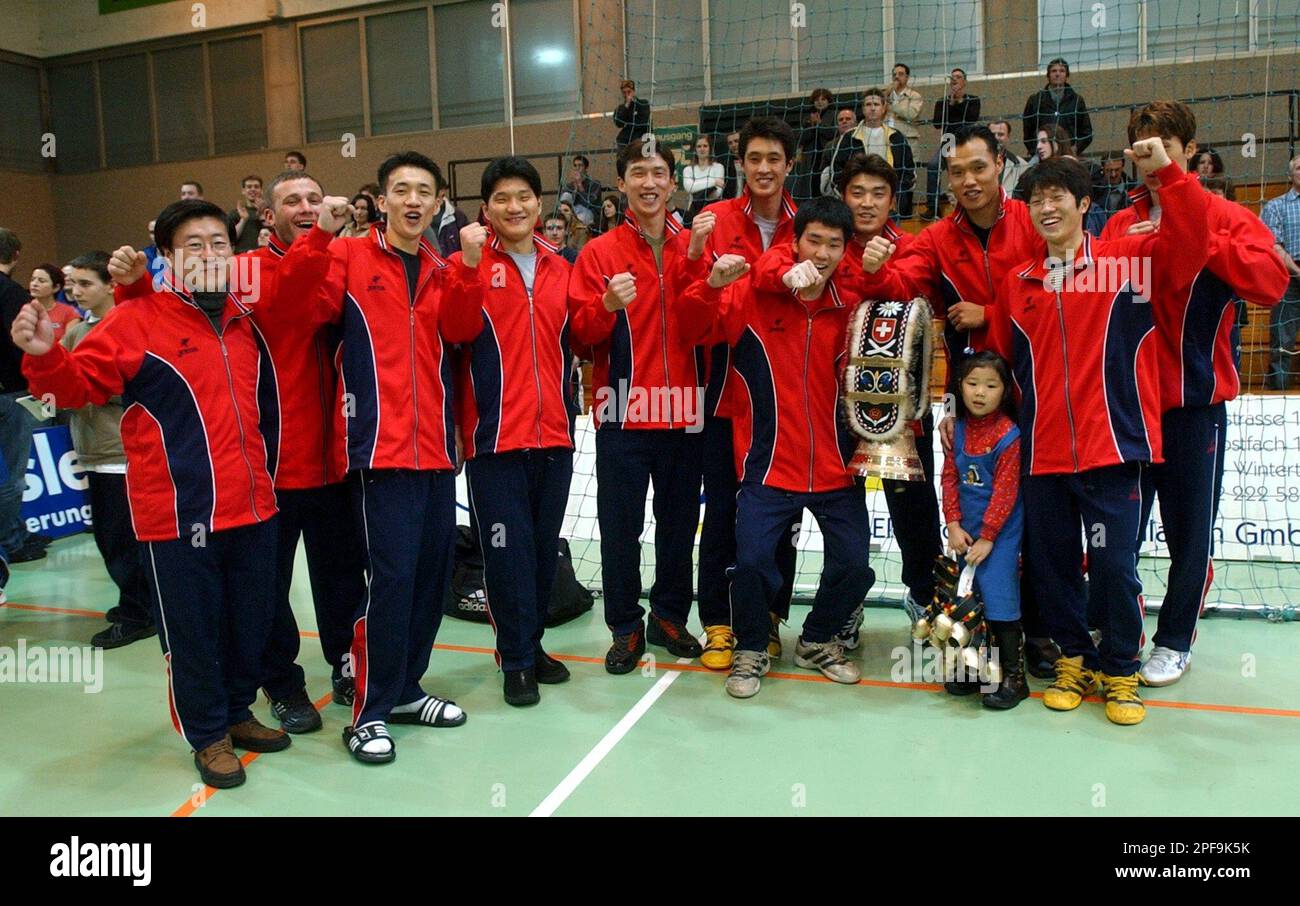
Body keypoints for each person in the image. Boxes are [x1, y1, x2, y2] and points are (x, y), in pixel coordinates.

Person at [17, 199, 287, 788]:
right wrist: (43, 358)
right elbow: (80, 384)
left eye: (219, 242)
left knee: (250, 623)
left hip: (253, 505)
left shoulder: (245, 320)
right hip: (177, 513)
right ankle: (208, 733)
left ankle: (238, 712)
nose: (210, 254)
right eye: (193, 245)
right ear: (166, 257)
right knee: (192, 632)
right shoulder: (137, 322)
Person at [984, 143, 1209, 726]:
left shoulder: (1126, 265)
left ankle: (1120, 671)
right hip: (1045, 455)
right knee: (1054, 566)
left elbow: (1190, 246)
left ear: (1085, 203)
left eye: (1057, 196)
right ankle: (1073, 661)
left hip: (1114, 449)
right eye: (1035, 199)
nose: (1045, 207)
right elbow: (1011, 366)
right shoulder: (1017, 283)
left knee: (1114, 568)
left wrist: (1166, 171)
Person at [292, 152, 488, 764]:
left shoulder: (439, 262)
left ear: (437, 205)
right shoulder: (348, 257)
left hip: (435, 450)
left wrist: (472, 268)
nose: (411, 200)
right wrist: (322, 232)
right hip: (377, 451)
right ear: (381, 200)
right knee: (392, 580)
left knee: (430, 578)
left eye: (423, 192)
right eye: (400, 189)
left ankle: (406, 690)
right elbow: (304, 304)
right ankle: (368, 710)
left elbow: (460, 332)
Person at [856, 127, 1059, 674]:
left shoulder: (1032, 221)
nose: (968, 181)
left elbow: (1060, 280)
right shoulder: (939, 237)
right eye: (957, 172)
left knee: (1037, 517)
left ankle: (1040, 631)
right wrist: (874, 269)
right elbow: (902, 282)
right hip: (972, 406)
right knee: (976, 515)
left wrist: (992, 312)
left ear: (1000, 166)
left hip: (1040, 394)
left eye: (978, 168)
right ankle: (981, 629)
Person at [1103, 102, 1288, 686]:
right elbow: (1094, 294)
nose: (1151, 154)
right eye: (1141, 144)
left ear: (1187, 150)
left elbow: (1271, 285)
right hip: (1130, 410)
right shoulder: (1116, 222)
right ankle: (1113, 630)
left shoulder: (1228, 216)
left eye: (1163, 144)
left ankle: (1176, 638)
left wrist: (1196, 227)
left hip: (1194, 410)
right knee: (1117, 533)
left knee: (1189, 533)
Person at [685, 197, 874, 698]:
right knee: (749, 564)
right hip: (767, 466)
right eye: (814, 240)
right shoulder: (751, 297)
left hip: (837, 469)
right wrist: (711, 282)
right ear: (795, 244)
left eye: (836, 244)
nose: (824, 252)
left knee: (857, 565)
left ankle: (816, 639)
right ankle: (749, 646)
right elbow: (694, 326)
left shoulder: (852, 305)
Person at [568, 138, 712, 673]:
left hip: (685, 412)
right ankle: (625, 626)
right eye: (637, 173)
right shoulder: (598, 253)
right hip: (621, 412)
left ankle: (670, 616)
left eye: (658, 172)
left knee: (678, 526)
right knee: (619, 527)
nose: (649, 182)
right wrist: (605, 306)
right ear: (623, 183)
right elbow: (580, 339)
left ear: (672, 183)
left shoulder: (696, 247)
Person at [669, 116, 802, 670]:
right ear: (740, 164)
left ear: (789, 164)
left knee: (783, 514)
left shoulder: (808, 223)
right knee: (722, 510)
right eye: (755, 159)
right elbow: (685, 305)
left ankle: (768, 617)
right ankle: (720, 623)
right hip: (724, 392)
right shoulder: (713, 221)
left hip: (787, 397)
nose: (765, 168)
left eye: (775, 158)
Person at [455, 156, 577, 706]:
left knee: (540, 551)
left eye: (524, 196)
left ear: (539, 204)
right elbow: (455, 331)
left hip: (554, 436)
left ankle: (532, 644)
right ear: (486, 210)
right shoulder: (469, 266)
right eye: (502, 198)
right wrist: (470, 265)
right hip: (494, 440)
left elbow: (586, 336)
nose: (515, 206)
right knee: (505, 553)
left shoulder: (562, 267)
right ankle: (516, 660)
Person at [838, 153, 941, 626]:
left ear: (893, 200)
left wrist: (878, 272)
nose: (867, 202)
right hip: (838, 405)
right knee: (843, 509)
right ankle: (846, 602)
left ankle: (927, 597)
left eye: (878, 193)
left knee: (914, 509)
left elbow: (910, 290)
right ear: (844, 196)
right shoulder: (829, 242)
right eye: (857, 192)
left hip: (904, 410)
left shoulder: (914, 245)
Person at [940, 351, 1026, 708]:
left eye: (990, 385)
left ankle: (1014, 677)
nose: (979, 392)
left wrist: (990, 536)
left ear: (1004, 391)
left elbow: (1006, 492)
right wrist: (954, 523)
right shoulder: (955, 430)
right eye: (972, 383)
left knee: (999, 601)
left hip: (998, 536)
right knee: (966, 602)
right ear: (960, 386)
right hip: (966, 534)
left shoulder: (1009, 435)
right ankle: (975, 669)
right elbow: (949, 477)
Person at [0, 228, 48, 564]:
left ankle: (16, 532)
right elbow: (23, 345)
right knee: (13, 476)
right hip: (11, 393)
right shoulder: (13, 293)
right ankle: (10, 541)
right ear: (16, 256)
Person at [826, 88, 915, 215]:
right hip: (857, 207)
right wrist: (848, 196)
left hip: (891, 206)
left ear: (884, 108)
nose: (872, 108)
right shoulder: (849, 137)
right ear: (862, 109)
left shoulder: (897, 137)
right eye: (868, 104)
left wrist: (898, 195)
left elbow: (909, 171)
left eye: (876, 104)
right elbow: (836, 171)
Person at [1261, 154, 1300, 390]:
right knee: (1282, 338)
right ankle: (1280, 389)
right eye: (1298, 168)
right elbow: (1274, 245)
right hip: (1288, 276)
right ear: (1289, 174)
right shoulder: (1275, 206)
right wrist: (1296, 271)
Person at [923, 68, 980, 220]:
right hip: (949, 139)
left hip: (966, 138)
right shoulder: (943, 102)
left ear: (964, 81)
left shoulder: (973, 100)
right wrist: (951, 104)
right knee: (934, 166)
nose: (954, 80)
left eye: (958, 77)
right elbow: (937, 123)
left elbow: (971, 118)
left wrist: (958, 103)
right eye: (952, 77)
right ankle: (932, 207)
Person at [1021, 58, 1093, 155]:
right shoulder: (1035, 101)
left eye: (1062, 71)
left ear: (1067, 75)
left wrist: (1074, 149)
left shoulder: (1076, 101)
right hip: (1041, 156)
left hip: (1068, 154)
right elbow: (1028, 132)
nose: (1057, 74)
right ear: (1048, 75)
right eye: (1054, 71)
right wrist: (1036, 150)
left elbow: (1086, 132)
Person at [795, 88, 837, 201]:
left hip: (826, 157)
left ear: (828, 101)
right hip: (810, 160)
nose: (820, 102)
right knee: (810, 188)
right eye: (817, 99)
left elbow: (833, 134)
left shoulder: (834, 115)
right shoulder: (807, 118)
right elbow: (800, 139)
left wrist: (819, 125)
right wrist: (812, 126)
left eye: (823, 99)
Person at [28, 263, 81, 344]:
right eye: (32, 279)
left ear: (56, 287)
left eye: (41, 281)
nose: (34, 284)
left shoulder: (69, 313)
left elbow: (69, 345)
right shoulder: (23, 309)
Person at [682, 136, 726, 222]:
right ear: (695, 149)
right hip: (695, 211)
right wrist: (714, 182)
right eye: (699, 146)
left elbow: (717, 193)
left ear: (710, 148)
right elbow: (689, 188)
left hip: (714, 210)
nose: (702, 149)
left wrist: (697, 186)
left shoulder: (718, 167)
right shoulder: (688, 169)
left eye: (705, 146)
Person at [887, 64, 924, 161]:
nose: (897, 77)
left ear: (907, 77)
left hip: (908, 141)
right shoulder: (886, 96)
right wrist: (886, 95)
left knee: (909, 172)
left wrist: (892, 105)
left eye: (900, 74)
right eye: (894, 74)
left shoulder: (914, 96)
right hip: (888, 141)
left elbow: (911, 114)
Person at [428, 168, 469, 256]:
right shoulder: (418, 216)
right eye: (436, 197)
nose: (439, 201)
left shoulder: (457, 216)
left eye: (442, 196)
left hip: (452, 266)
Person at [559, 155, 604, 225]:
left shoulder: (595, 184)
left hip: (588, 212)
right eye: (575, 165)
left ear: (586, 168)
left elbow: (589, 203)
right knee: (566, 194)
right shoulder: (569, 185)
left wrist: (579, 184)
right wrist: (575, 187)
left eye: (580, 165)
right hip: (573, 211)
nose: (577, 168)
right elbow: (566, 202)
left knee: (581, 219)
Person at [990, 119, 1030, 196]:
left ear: (1008, 137)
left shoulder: (1020, 164)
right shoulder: (976, 162)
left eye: (1001, 134)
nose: (996, 138)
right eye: (992, 134)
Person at [226, 175, 264, 252]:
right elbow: (230, 238)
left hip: (263, 255)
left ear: (261, 190)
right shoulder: (235, 213)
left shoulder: (269, 212)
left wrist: (263, 215)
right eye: (249, 187)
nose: (253, 189)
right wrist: (243, 220)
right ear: (243, 191)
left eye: (256, 187)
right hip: (242, 256)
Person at [613, 79, 651, 150]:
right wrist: (627, 105)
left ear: (633, 91)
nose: (627, 95)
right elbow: (618, 123)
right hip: (626, 140)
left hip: (641, 139)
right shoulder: (621, 108)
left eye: (629, 92)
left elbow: (644, 121)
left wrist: (627, 123)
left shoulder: (643, 103)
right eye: (624, 92)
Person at [1094, 150, 1132, 215]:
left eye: (1117, 170)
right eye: (1109, 170)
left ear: (1122, 168)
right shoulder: (1095, 189)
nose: (1113, 174)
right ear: (1103, 169)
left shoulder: (1132, 189)